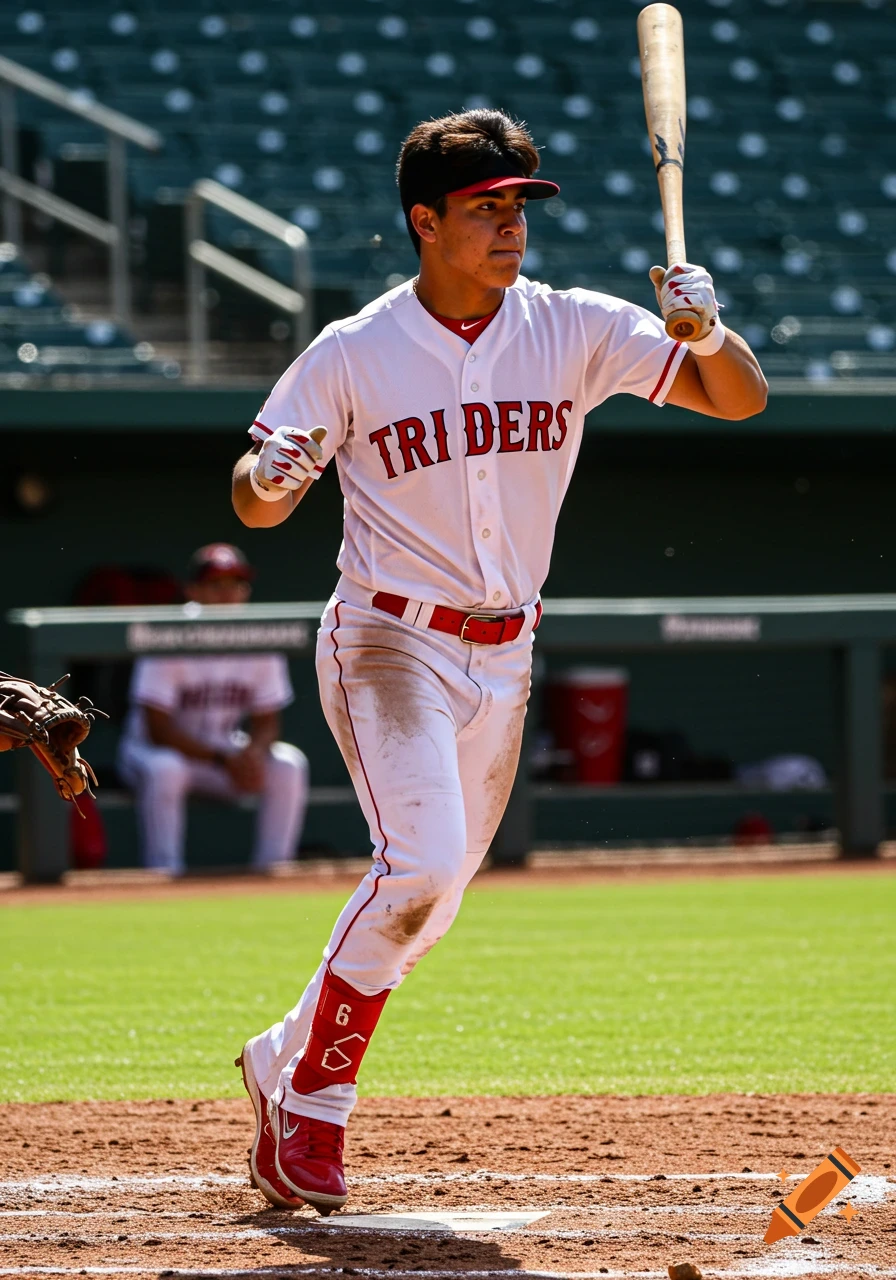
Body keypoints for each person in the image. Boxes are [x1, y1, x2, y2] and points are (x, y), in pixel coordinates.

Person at [231, 110, 767, 1214]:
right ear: (424, 222)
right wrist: (275, 475)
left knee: (432, 900)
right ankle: (312, 1114)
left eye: (519, 204)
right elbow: (255, 496)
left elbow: (739, 398)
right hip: (385, 639)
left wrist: (706, 332)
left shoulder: (569, 324)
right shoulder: (352, 349)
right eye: (486, 207)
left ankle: (279, 1053)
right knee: (418, 863)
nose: (511, 225)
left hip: (504, 647)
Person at [117, 543, 309, 875]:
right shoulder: (169, 634)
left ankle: (274, 870)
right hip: (149, 754)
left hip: (220, 754)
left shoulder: (258, 636)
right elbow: (157, 730)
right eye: (216, 584)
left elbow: (267, 721)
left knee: (288, 764)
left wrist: (253, 752)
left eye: (236, 584)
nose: (228, 593)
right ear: (193, 590)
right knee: (167, 768)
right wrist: (225, 760)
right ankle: (164, 872)